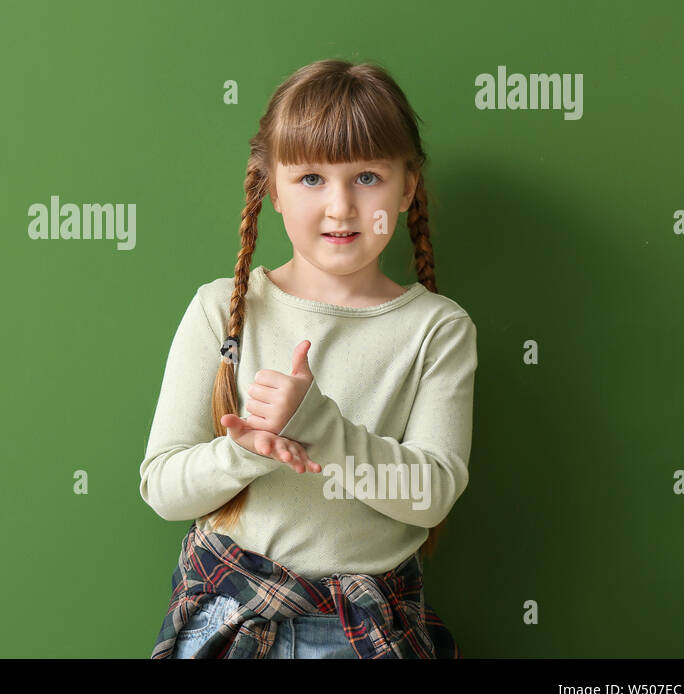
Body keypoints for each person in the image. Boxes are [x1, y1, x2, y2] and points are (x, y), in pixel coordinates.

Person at [141, 59, 478, 658]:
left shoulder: (437, 328)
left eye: (368, 176)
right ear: (271, 187)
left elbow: (431, 495)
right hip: (229, 614)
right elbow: (164, 489)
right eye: (311, 179)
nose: (342, 207)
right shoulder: (223, 310)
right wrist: (244, 451)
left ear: (408, 186)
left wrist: (320, 428)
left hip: (370, 628)